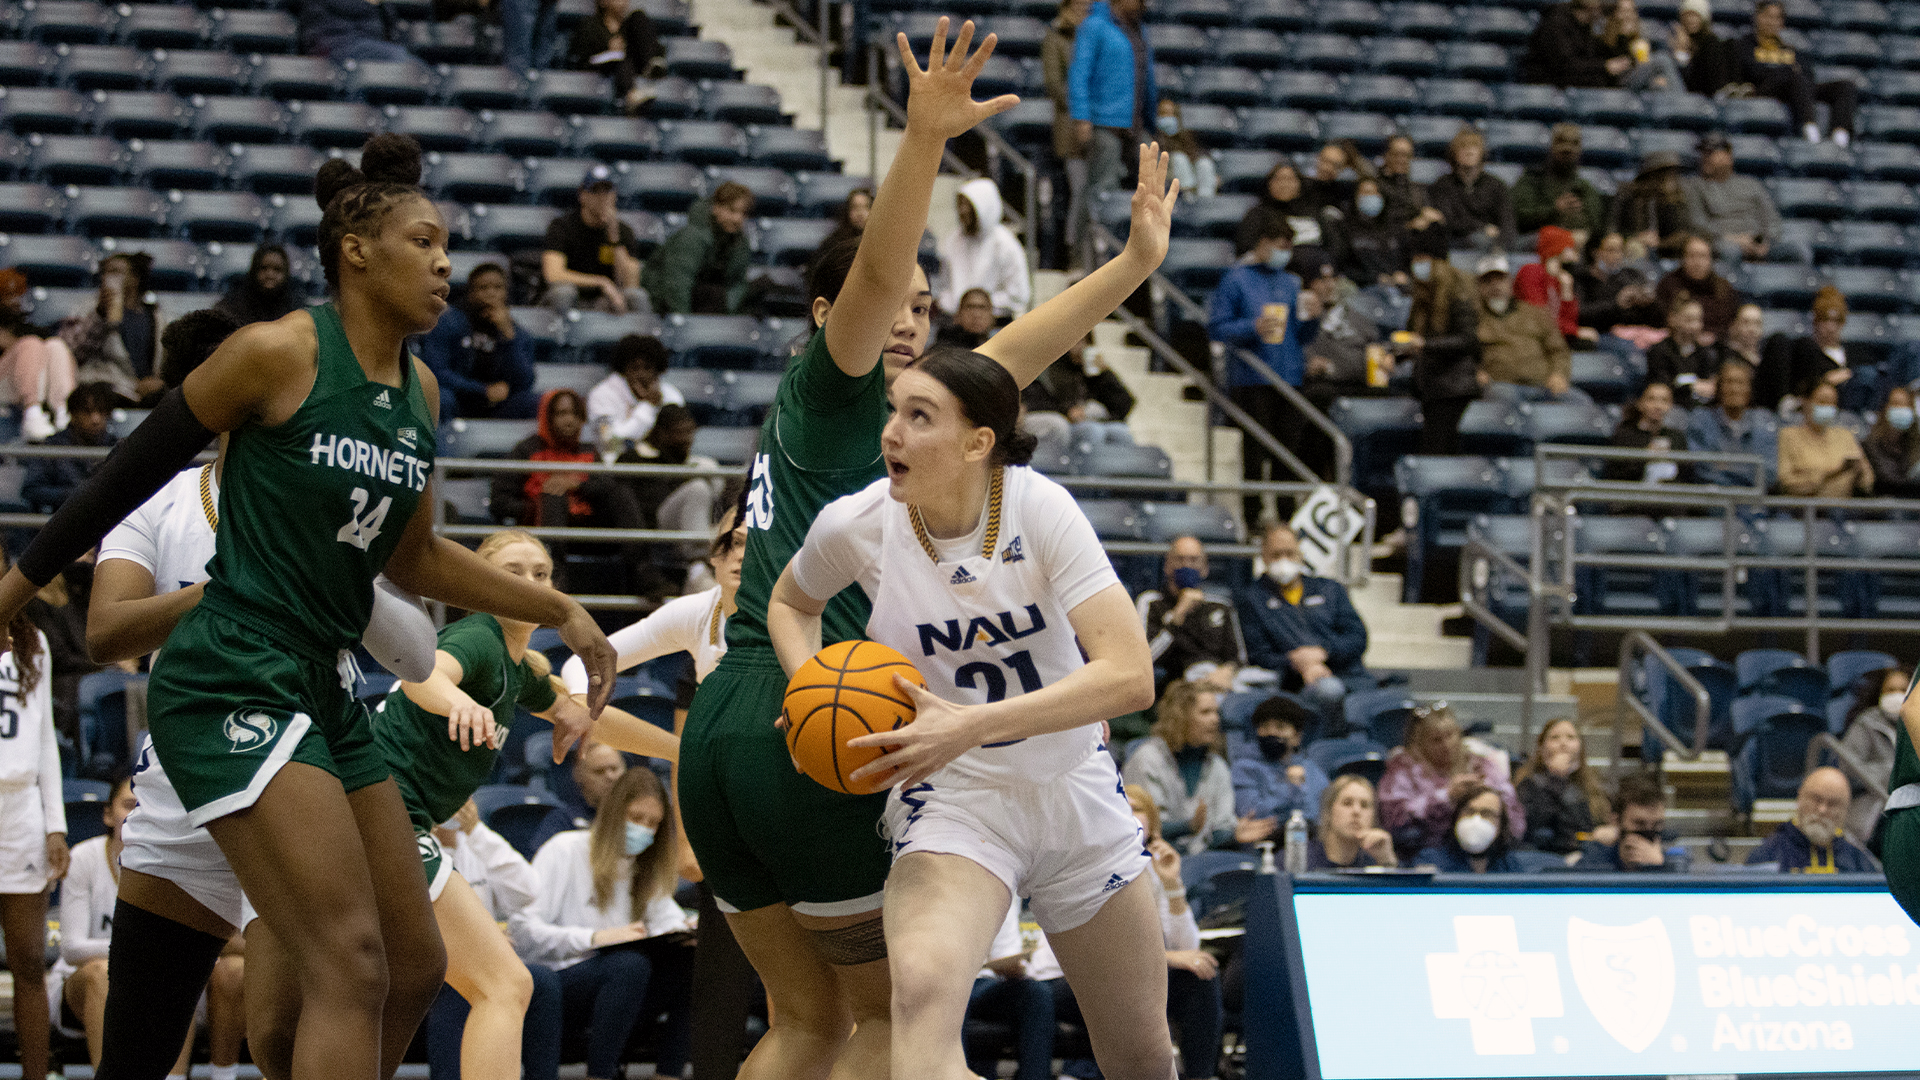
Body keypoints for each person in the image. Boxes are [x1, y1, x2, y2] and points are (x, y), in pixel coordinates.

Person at [0, 132, 620, 1080]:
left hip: (323, 685)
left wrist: (564, 610)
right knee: (350, 963)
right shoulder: (279, 351)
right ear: (355, 251)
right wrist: (13, 586)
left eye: (449, 246)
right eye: (424, 242)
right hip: (235, 668)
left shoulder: (417, 389)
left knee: (413, 963)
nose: (447, 263)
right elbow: (128, 468)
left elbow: (413, 555)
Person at [676, 25, 1168, 1080]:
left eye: (923, 310)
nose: (908, 318)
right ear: (831, 314)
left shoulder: (925, 421)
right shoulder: (835, 383)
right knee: (890, 1025)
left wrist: (1132, 263)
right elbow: (882, 268)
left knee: (807, 1026)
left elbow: (1028, 346)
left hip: (726, 721)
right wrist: (924, 139)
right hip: (812, 719)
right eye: (890, 305)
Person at [764, 328, 1177, 1080]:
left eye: (921, 416)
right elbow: (790, 602)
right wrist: (811, 685)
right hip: (954, 801)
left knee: (1142, 1055)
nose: (891, 431)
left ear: (977, 441)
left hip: (1072, 790)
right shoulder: (859, 523)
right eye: (894, 411)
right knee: (920, 991)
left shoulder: (1040, 508)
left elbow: (1128, 676)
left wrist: (970, 725)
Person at [374, 529, 675, 1080]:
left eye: (541, 574)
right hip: (379, 816)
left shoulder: (525, 665)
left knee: (410, 987)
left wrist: (684, 751)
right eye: (512, 573)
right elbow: (423, 675)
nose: (531, 585)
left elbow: (586, 714)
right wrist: (460, 702)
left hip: (388, 820)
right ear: (476, 584)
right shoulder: (479, 638)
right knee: (505, 984)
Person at [54, 777, 248, 1077]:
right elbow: (72, 948)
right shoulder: (85, 857)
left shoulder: (181, 859)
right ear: (108, 814)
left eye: (144, 806)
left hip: (163, 977)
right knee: (106, 973)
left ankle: (215, 1075)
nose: (135, 814)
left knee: (187, 968)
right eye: (129, 805)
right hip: (85, 984)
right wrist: (150, 948)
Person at [512, 767, 696, 1080]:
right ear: (613, 812)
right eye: (636, 817)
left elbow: (670, 920)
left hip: (617, 991)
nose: (644, 831)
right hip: (559, 982)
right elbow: (523, 932)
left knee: (690, 961)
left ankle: (669, 1073)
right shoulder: (565, 849)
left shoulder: (643, 869)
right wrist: (596, 937)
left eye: (653, 824)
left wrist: (689, 930)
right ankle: (600, 1074)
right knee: (628, 964)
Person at [421, 801, 563, 1080]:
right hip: (430, 964)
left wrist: (476, 832)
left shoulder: (477, 845)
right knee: (462, 985)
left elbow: (529, 890)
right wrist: (475, 938)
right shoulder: (416, 843)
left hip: (480, 959)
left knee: (541, 982)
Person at [1207, 214, 1324, 514]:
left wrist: (1314, 317)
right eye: (1280, 246)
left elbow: (1301, 335)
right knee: (1255, 453)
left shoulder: (1291, 282)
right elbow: (1217, 327)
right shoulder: (1236, 279)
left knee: (1288, 452)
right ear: (1264, 244)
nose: (1285, 253)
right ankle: (1253, 513)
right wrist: (1252, 327)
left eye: (1289, 247)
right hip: (1252, 377)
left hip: (1289, 376)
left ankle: (1287, 513)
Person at [0, 584, 61, 1080]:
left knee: (28, 963)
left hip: (21, 812)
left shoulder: (32, 642)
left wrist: (56, 824)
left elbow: (45, 743)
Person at [1122, 785, 1224, 1080]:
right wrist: (1167, 958)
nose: (1130, 816)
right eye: (1123, 808)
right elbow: (1109, 952)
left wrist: (1172, 884)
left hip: (1145, 976)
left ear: (1153, 824)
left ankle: (1200, 1076)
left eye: (1138, 809)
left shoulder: (1154, 868)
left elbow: (1189, 947)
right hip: (1093, 979)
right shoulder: (1093, 866)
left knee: (1200, 973)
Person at [1237, 522, 1371, 715]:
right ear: (1264, 557)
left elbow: (1357, 638)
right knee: (1329, 691)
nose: (1284, 561)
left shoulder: (1330, 589)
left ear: (1300, 554)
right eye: (1276, 555)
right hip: (1291, 683)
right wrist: (1295, 661)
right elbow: (1257, 653)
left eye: (1289, 553)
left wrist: (1324, 652)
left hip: (1345, 673)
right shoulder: (1253, 599)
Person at [1378, 704, 1524, 858]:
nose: (1446, 745)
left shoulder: (1482, 765)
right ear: (1420, 742)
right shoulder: (1403, 769)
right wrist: (1445, 797)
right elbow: (1394, 818)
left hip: (1488, 853)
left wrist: (1485, 797)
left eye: (1450, 735)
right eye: (1436, 740)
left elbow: (1516, 822)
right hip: (1428, 853)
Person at [1123, 680, 1240, 854]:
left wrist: (1235, 835)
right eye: (1205, 712)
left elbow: (1220, 829)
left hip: (1201, 863)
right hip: (1153, 858)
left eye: (1216, 712)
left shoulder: (1217, 766)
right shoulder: (1148, 759)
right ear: (1181, 717)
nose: (1215, 719)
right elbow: (1141, 824)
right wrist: (1188, 826)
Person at [419, 263, 540, 421]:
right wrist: (482, 390)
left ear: (507, 293)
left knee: (535, 402)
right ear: (470, 293)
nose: (491, 293)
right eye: (483, 288)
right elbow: (436, 371)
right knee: (441, 397)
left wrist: (509, 337)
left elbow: (525, 381)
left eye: (498, 288)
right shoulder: (448, 322)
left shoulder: (517, 333)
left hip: (497, 405)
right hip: (457, 399)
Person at [1067, 0, 1155, 208]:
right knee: (1102, 189)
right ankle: (1088, 240)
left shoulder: (1140, 29)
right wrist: (1082, 117)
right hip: (1104, 122)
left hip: (1136, 122)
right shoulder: (1095, 25)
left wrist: (1153, 119)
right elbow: (1079, 73)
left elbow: (1147, 79)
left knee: (1154, 178)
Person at [1732, 0, 1856, 145]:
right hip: (1764, 89)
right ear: (1757, 18)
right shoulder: (1744, 45)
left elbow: (1808, 74)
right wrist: (1784, 71)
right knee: (1793, 74)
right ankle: (1810, 129)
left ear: (1782, 22)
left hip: (1798, 89)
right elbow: (1752, 71)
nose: (1771, 22)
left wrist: (1789, 72)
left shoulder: (1789, 49)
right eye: (1767, 16)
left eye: (1776, 18)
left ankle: (1840, 137)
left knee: (1845, 86)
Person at [1404, 226, 1481, 454]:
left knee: (1439, 450)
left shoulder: (1458, 293)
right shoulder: (1422, 297)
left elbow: (1468, 341)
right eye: (1415, 259)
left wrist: (1425, 345)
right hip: (1432, 386)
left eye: (1423, 258)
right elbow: (1415, 337)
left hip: (1454, 388)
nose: (1418, 265)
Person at [1137, 535, 1248, 689]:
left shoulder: (1221, 605)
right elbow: (1144, 660)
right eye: (1180, 559)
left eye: (1193, 560)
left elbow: (1239, 658)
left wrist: (1226, 672)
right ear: (1167, 565)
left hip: (1219, 681)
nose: (1186, 565)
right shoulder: (1151, 602)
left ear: (1205, 568)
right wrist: (1177, 616)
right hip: (1177, 686)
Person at [1474, 254, 1588, 405]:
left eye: (1500, 279)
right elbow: (1468, 354)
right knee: (1502, 398)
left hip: (1543, 386)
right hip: (1502, 386)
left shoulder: (1536, 313)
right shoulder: (1474, 319)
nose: (1495, 285)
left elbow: (1558, 350)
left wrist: (1559, 374)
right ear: (1479, 287)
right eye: (1488, 281)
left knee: (1582, 403)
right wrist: (1477, 373)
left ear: (1510, 282)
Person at [963, 904, 1057, 1080]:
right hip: (952, 982)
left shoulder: (1001, 889)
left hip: (985, 981)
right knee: (952, 998)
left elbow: (1004, 951)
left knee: (1036, 994)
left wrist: (1012, 969)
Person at [63, 252, 167, 406]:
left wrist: (159, 382)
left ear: (135, 279)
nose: (108, 276)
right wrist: (99, 315)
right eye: (105, 272)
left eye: (116, 272)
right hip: (106, 390)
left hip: (147, 394)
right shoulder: (87, 309)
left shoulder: (156, 317)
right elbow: (71, 353)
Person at [542, 170, 649, 315]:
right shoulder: (562, 226)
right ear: (582, 196)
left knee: (637, 297)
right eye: (595, 191)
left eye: (607, 191)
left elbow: (631, 283)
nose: (602, 197)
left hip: (606, 300)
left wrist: (615, 240)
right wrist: (600, 282)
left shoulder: (623, 231)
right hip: (574, 295)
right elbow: (553, 274)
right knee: (563, 292)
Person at [642, 182, 755, 316]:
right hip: (662, 304)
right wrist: (685, 323)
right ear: (715, 207)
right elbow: (677, 284)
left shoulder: (740, 242)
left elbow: (738, 283)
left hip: (708, 308)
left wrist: (727, 313)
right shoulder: (691, 237)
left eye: (743, 213)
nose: (738, 219)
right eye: (732, 210)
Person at [1512, 718, 1616, 855]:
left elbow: (1592, 825)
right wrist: (1556, 779)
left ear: (1580, 747)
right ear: (1541, 748)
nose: (1563, 743)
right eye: (1555, 738)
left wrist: (1610, 831)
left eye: (1571, 737)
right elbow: (1531, 827)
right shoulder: (1528, 783)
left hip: (1587, 856)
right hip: (1545, 858)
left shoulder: (1595, 784)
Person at [1746, 766, 1877, 872]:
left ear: (1845, 810)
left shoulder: (1858, 861)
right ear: (1800, 798)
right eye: (1816, 799)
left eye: (1833, 803)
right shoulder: (1769, 855)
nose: (1822, 810)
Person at [1758, 286, 1865, 413]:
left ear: (1842, 323)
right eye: (1825, 320)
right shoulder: (1804, 352)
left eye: (1836, 321)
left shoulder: (1857, 354)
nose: (1830, 327)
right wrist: (1825, 381)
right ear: (1815, 322)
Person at [939, 178, 1031, 318]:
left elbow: (1019, 295)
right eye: (960, 204)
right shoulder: (953, 240)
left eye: (968, 205)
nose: (963, 211)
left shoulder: (1005, 244)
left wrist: (980, 307)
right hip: (956, 322)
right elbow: (944, 287)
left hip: (997, 321)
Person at [1232, 695, 1330, 827]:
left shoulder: (1310, 769)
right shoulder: (1243, 768)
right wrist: (1290, 788)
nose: (1271, 733)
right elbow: (1252, 815)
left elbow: (1322, 815)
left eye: (1280, 727)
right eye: (1264, 727)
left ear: (1297, 737)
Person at [1043, 0, 1092, 262]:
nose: (1083, 10)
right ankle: (1074, 251)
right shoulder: (1055, 38)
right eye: (1078, 5)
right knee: (1081, 189)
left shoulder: (1094, 36)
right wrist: (1085, 104)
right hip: (1071, 128)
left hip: (1098, 126)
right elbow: (1054, 84)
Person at [1685, 355, 1780, 489]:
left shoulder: (1764, 420)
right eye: (1729, 382)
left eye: (1740, 383)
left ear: (1749, 389)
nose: (1734, 389)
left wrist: (1727, 467)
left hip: (1754, 502)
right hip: (1715, 499)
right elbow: (1703, 468)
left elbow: (1769, 472)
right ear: (1719, 388)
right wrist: (1747, 469)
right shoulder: (1700, 419)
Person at [1683, 133, 1778, 264]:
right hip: (1723, 242)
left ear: (1728, 157)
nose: (1704, 158)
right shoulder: (1695, 185)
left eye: (1710, 153)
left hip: (1758, 242)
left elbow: (1772, 220)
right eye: (1703, 154)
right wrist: (1735, 239)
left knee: (1796, 252)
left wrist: (1765, 243)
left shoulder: (1751, 184)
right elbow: (1698, 223)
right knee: (1730, 252)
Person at [1018, 338, 1136, 444]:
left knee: (1122, 433)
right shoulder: (1052, 369)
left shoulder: (1091, 371)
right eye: (1076, 341)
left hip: (1089, 419)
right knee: (1092, 431)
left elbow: (1125, 404)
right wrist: (1069, 411)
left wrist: (1105, 373)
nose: (1080, 347)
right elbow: (1039, 399)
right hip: (1064, 420)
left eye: (1084, 341)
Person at [21, 382, 117, 511]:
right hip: (63, 520)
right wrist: (72, 495)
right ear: (73, 414)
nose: (96, 419)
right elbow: (31, 489)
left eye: (101, 411)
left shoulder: (116, 446)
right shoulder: (52, 446)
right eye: (87, 412)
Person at [1838, 666, 1908, 840]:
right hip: (1873, 811)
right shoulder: (1866, 723)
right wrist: (1893, 772)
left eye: (1903, 690)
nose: (1897, 695)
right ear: (1881, 694)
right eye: (1891, 690)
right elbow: (1848, 769)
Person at [585, 333, 684, 453]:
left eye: (647, 368)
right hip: (617, 466)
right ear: (623, 371)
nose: (641, 375)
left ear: (657, 370)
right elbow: (613, 442)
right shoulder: (601, 395)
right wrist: (649, 406)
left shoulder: (671, 395)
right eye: (634, 368)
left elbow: (678, 439)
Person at [1576, 771, 1690, 871]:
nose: (1648, 831)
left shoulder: (1674, 860)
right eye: (1639, 823)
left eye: (1657, 824)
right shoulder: (1594, 862)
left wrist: (1656, 867)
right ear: (1616, 821)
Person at [0, 302, 80, 442]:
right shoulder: (26, 344)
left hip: (39, 390)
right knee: (30, 344)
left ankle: (64, 414)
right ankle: (32, 412)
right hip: (7, 394)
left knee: (56, 346)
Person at [1427, 127, 1515, 253]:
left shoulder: (1496, 185)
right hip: (1458, 240)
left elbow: (1507, 221)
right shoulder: (1442, 185)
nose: (1469, 151)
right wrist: (1482, 227)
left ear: (1482, 153)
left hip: (1495, 241)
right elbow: (1447, 220)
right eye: (1463, 147)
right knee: (1481, 239)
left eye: (1474, 147)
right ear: (1454, 154)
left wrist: (1501, 243)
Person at [1777, 381, 1872, 498]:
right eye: (1822, 401)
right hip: (1805, 509)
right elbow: (1785, 481)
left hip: (1845, 508)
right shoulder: (1788, 435)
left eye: (1832, 403)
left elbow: (1868, 479)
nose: (1828, 407)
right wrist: (1827, 475)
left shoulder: (1845, 436)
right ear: (1806, 402)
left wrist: (1859, 474)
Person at [566, 0, 661, 113]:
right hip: (602, 69)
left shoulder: (630, 26)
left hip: (631, 67)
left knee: (638, 16)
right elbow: (579, 58)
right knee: (621, 62)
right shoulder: (590, 25)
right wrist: (607, 48)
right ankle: (631, 96)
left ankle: (651, 68)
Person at [1513, 123, 1607, 236]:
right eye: (1563, 150)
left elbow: (1596, 226)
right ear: (1552, 148)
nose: (1567, 154)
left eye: (1571, 151)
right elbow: (1520, 219)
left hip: (1579, 242)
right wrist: (1554, 210)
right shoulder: (1531, 181)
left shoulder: (1585, 188)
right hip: (1538, 239)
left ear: (1579, 152)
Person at [1413, 784, 1529, 872]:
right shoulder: (1430, 861)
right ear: (1456, 818)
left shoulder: (1509, 865)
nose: (1476, 820)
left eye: (1486, 814)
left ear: (1501, 825)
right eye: (1469, 812)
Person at [1521, 0, 1631, 87]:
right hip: (1550, 88)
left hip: (1580, 87)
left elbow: (1607, 56)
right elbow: (1565, 66)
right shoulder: (1556, 22)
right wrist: (1604, 67)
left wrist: (1622, 35)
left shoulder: (1588, 28)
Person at [1514, 226, 1594, 344]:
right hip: (1531, 338)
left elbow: (1570, 321)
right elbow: (1537, 315)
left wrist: (1567, 292)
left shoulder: (1562, 279)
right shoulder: (1531, 272)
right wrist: (1573, 331)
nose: (1574, 250)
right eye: (1570, 246)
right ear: (1559, 248)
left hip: (1555, 337)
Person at [1656, 237, 1743, 345]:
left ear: (1710, 260)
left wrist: (1714, 336)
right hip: (1677, 345)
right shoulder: (1668, 285)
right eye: (1692, 256)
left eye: (1703, 256)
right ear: (1683, 259)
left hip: (1717, 345)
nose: (1697, 262)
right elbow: (1663, 320)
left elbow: (1731, 322)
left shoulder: (1724, 288)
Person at [1572, 231, 1662, 336]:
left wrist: (1647, 301)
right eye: (1611, 250)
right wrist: (1616, 304)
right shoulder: (1582, 280)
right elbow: (1580, 313)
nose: (1617, 256)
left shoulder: (1630, 275)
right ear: (1595, 252)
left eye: (1620, 250)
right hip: (1602, 335)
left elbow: (1656, 316)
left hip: (1635, 333)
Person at [1235, 162, 1335, 255]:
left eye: (1290, 179)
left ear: (1299, 184)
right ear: (1269, 184)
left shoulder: (1314, 213)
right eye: (1279, 179)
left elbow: (1334, 246)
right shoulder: (1257, 215)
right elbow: (1245, 248)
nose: (1284, 185)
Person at [1610, 151, 1694, 259]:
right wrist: (1636, 238)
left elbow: (1683, 233)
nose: (1672, 179)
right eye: (1666, 174)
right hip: (1632, 250)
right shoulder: (1628, 196)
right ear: (1652, 175)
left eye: (1673, 174)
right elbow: (1613, 229)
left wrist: (1660, 243)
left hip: (1666, 253)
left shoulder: (1676, 199)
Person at [1330, 177, 1408, 292]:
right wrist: (1374, 278)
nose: (1371, 197)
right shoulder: (1345, 227)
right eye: (1366, 193)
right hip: (1361, 289)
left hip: (1394, 290)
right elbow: (1342, 267)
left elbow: (1404, 259)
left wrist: (1401, 274)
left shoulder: (1392, 228)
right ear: (1356, 197)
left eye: (1375, 193)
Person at [1603, 380, 1690, 484]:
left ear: (1670, 405)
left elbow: (1686, 475)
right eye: (1651, 399)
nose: (1658, 406)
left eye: (1664, 400)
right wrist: (1644, 457)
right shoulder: (1624, 435)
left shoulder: (1677, 437)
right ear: (1640, 403)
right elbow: (1616, 475)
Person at [1308, 775, 1398, 869]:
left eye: (1364, 805)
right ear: (1329, 812)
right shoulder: (1303, 858)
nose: (1356, 811)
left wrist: (1387, 862)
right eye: (1347, 803)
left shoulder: (1374, 863)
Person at [1645, 297, 1719, 403]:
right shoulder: (1659, 351)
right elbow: (1663, 386)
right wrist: (1691, 387)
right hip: (1670, 407)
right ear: (1673, 318)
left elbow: (1708, 386)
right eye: (1689, 320)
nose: (1694, 326)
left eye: (1698, 320)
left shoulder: (1705, 353)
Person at [296, 0, 419, 62]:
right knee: (402, 60)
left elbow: (389, 22)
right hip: (336, 44)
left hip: (371, 44)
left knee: (414, 69)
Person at [1602, 0, 1685, 91]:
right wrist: (1605, 66)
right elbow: (1595, 63)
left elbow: (1641, 64)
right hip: (1618, 83)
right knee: (1662, 59)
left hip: (1637, 81)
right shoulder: (1605, 39)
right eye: (1624, 11)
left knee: (1660, 86)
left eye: (1631, 11)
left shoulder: (1639, 37)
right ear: (1615, 13)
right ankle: (1684, 102)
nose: (1628, 15)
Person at [215, 244, 303, 327]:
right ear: (254, 271)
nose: (270, 275)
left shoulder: (298, 309)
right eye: (263, 268)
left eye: (277, 270)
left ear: (286, 274)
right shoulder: (232, 306)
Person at [1155, 99, 1219, 199]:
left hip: (1190, 171)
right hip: (1167, 173)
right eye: (1163, 114)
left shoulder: (1185, 135)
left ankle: (1206, 200)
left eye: (1171, 114)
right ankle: (1188, 198)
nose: (1168, 118)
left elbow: (1195, 153)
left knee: (1204, 164)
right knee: (1179, 159)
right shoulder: (1153, 136)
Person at [1864, 388, 1920, 498]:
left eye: (1907, 405)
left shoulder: (1915, 442)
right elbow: (1887, 480)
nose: (1902, 410)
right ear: (1885, 408)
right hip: (1884, 502)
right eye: (1897, 404)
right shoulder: (1872, 443)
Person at [1672, 0, 1735, 94]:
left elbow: (1697, 84)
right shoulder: (1674, 42)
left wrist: (1682, 54)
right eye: (1688, 15)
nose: (1691, 19)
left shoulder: (1711, 44)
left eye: (1695, 15)